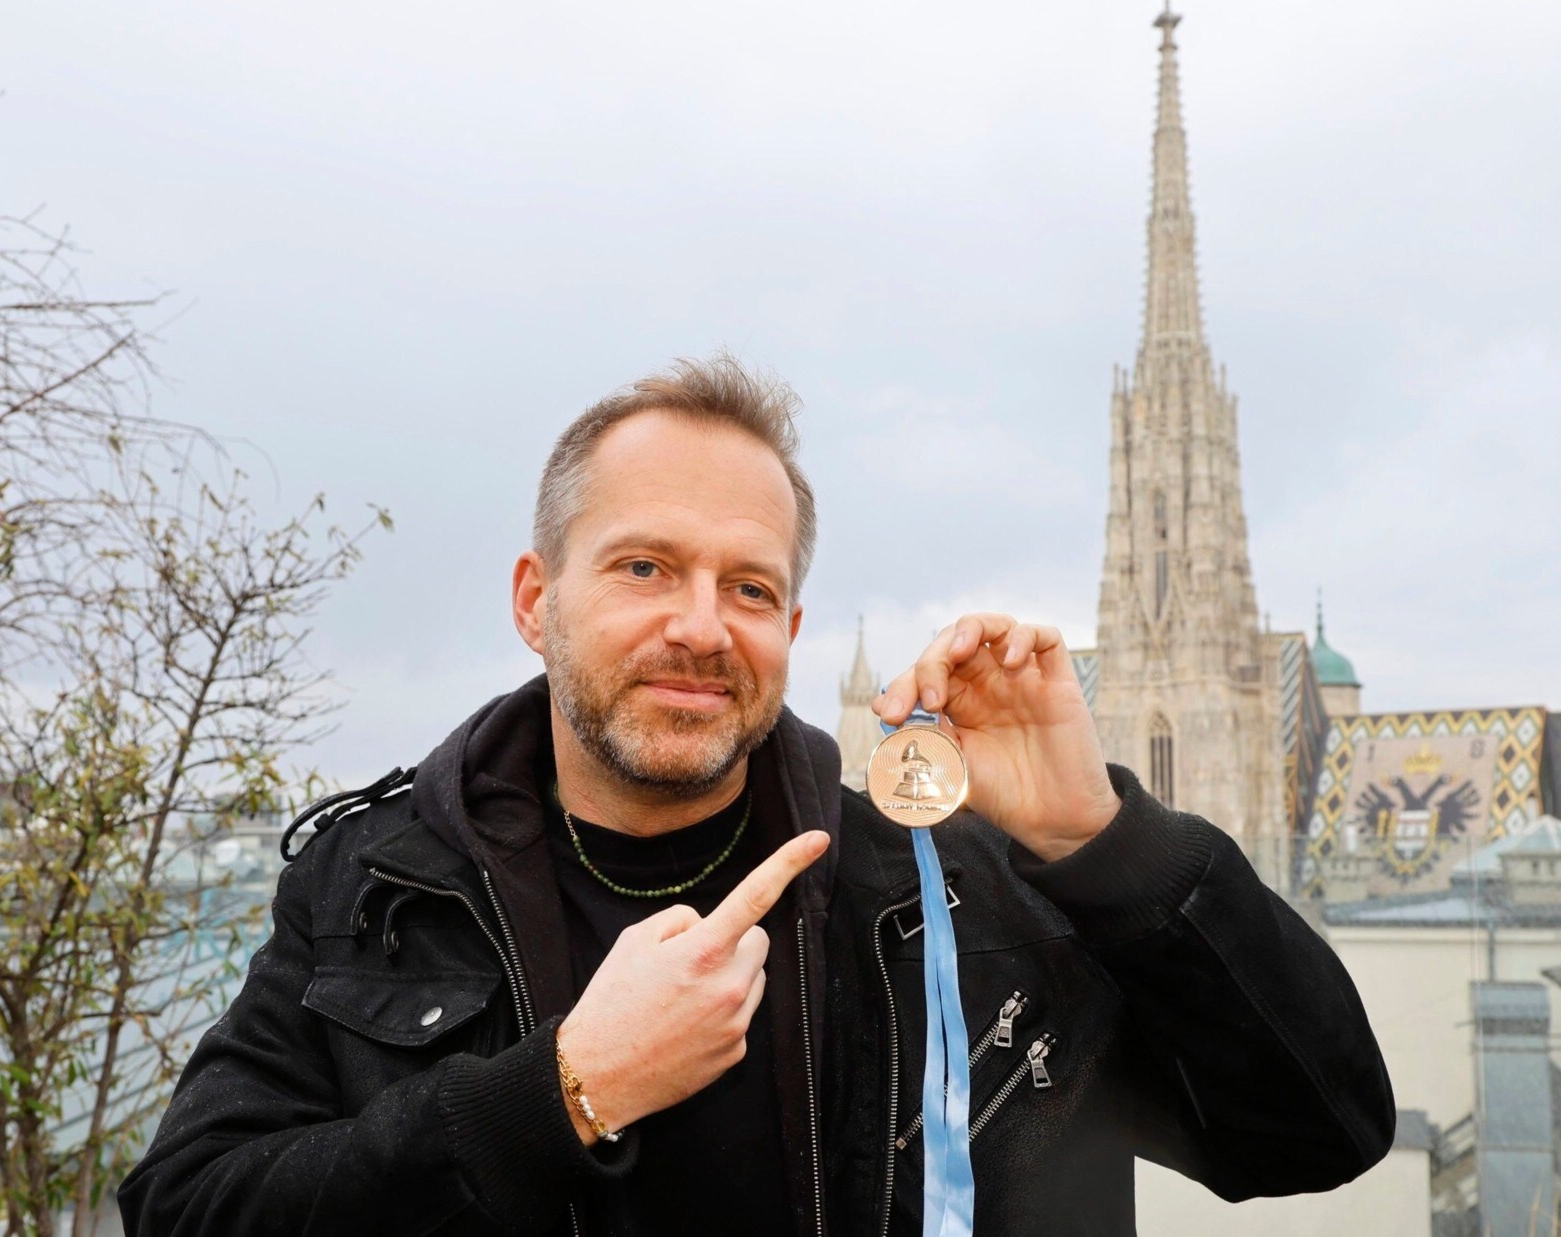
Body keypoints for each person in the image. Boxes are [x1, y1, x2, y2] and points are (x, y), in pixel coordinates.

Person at [119, 357, 1394, 1236]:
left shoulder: (956, 886)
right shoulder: (377, 884)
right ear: (533, 600)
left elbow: (1315, 1131)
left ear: (788, 624)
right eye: (643, 566)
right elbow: (189, 1208)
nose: (698, 624)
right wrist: (560, 1093)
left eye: (746, 587)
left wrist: (1097, 837)